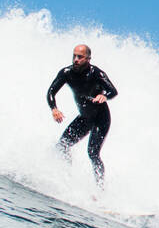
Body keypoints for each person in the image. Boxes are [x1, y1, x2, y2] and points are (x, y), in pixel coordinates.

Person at [47, 44, 118, 186]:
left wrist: (104, 96)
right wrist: (54, 108)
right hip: (85, 118)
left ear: (88, 59)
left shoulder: (97, 73)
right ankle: (67, 178)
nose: (75, 59)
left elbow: (113, 91)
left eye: (80, 57)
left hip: (101, 119)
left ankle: (100, 189)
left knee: (93, 153)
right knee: (62, 146)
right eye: (74, 56)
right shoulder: (66, 73)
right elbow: (51, 92)